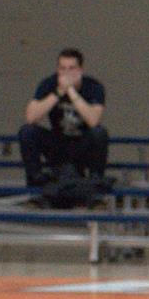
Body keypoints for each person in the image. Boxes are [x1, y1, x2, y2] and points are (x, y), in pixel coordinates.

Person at [19, 47, 109, 191]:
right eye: (62, 68)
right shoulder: (49, 84)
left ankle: (96, 180)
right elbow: (31, 117)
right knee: (27, 131)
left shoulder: (94, 87)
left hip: (82, 145)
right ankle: (35, 179)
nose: (67, 73)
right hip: (57, 143)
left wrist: (72, 92)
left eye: (72, 68)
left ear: (80, 70)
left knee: (99, 133)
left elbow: (93, 120)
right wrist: (59, 91)